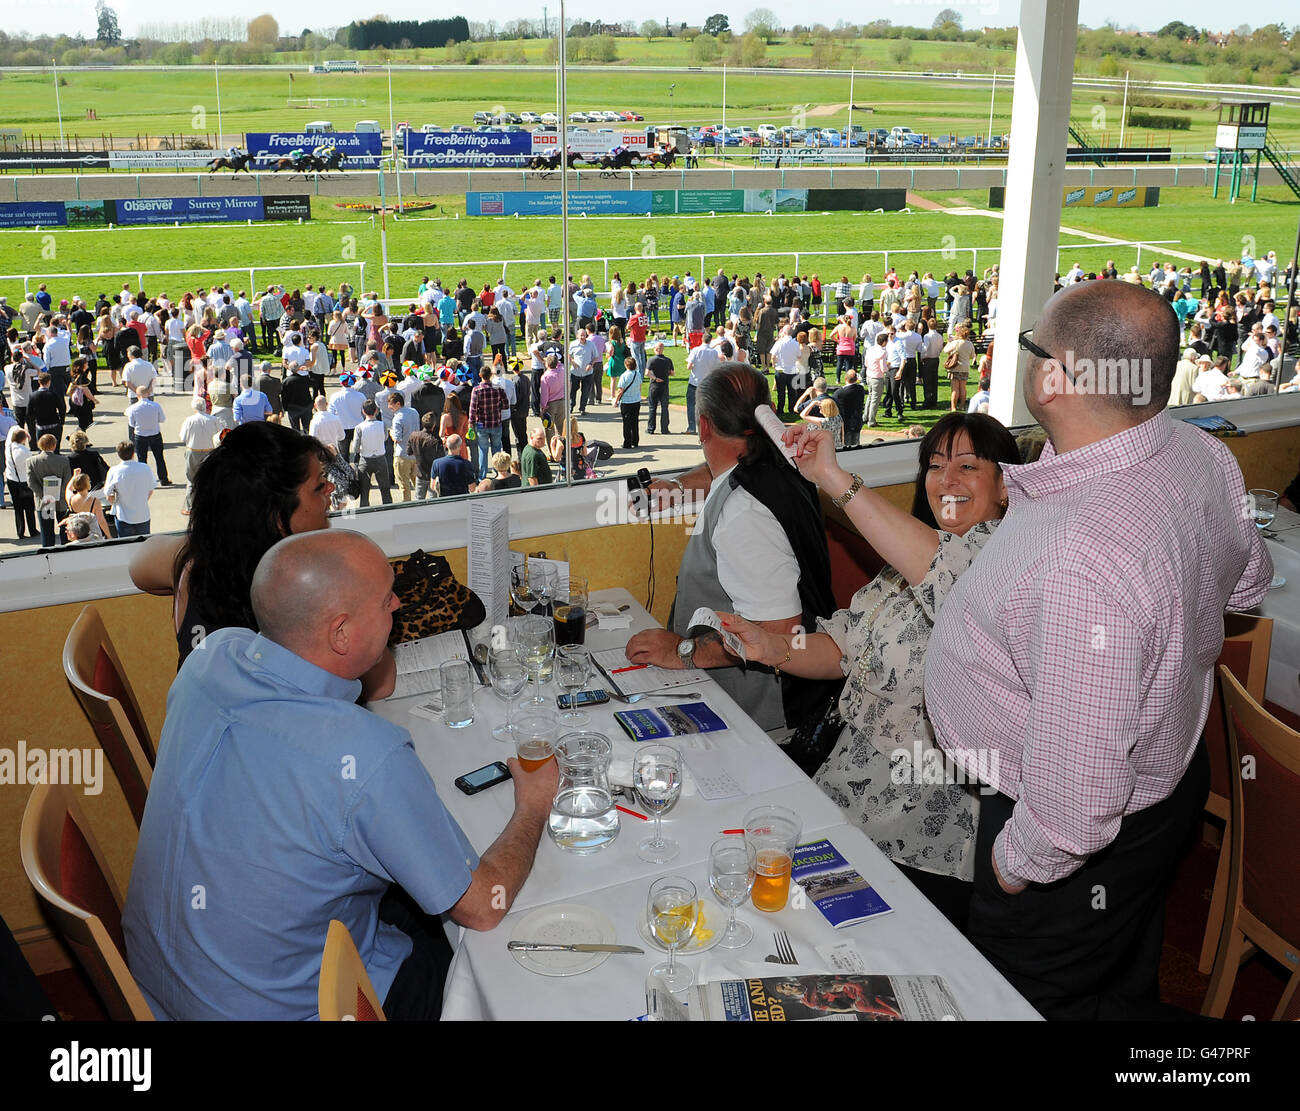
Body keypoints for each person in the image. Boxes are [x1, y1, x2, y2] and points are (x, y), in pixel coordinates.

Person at [925, 280, 1274, 1020]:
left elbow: (1076, 809)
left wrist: (1015, 865)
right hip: (1164, 786)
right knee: (1119, 978)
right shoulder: (1200, 454)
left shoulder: (1084, 557)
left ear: (1054, 379)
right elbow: (1247, 580)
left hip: (1068, 836)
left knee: (1028, 998)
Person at [123, 529, 557, 1019]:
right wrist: (534, 803)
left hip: (157, 987)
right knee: (487, 963)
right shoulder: (367, 754)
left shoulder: (212, 655)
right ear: (340, 633)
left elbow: (359, 671)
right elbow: (483, 907)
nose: (398, 602)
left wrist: (361, 638)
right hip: (287, 1008)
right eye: (385, 599)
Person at [722, 414, 1021, 930]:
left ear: (1006, 486)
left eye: (968, 466)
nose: (946, 480)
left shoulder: (1003, 565)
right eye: (934, 465)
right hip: (847, 786)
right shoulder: (909, 557)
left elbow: (942, 572)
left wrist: (832, 477)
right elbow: (840, 647)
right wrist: (771, 645)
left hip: (922, 821)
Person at [626, 364, 838, 736]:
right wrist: (677, 487)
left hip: (765, 719)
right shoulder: (781, 463)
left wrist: (681, 652)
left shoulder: (744, 515)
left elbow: (778, 632)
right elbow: (726, 467)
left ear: (704, 426)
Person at [103, 440, 155, 539]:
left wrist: (115, 503)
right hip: (142, 515)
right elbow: (151, 489)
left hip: (123, 516)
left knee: (126, 546)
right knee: (144, 545)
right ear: (133, 453)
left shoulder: (114, 471)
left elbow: (108, 495)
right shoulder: (145, 468)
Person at [178, 397, 220, 515]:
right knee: (210, 479)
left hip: (193, 451)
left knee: (191, 480)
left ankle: (190, 507)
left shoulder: (189, 420)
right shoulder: (214, 419)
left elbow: (183, 437)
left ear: (193, 408)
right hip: (210, 451)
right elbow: (219, 435)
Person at [351, 400, 391, 507]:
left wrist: (362, 449)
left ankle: (365, 512)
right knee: (385, 489)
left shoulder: (359, 427)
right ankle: (389, 510)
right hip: (381, 459)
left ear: (363, 412)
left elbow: (355, 448)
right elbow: (385, 438)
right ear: (376, 411)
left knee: (364, 491)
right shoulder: (383, 425)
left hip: (365, 460)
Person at [58, 472, 112, 541]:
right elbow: (101, 521)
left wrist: (75, 476)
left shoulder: (71, 498)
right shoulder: (95, 501)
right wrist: (109, 535)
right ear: (87, 485)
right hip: (89, 533)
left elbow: (68, 489)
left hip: (75, 532)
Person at [5, 427, 37, 540]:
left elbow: (13, 429)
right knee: (29, 507)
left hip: (11, 480)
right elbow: (30, 467)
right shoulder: (24, 452)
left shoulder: (8, 447)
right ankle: (32, 530)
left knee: (18, 508)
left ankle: (20, 531)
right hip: (23, 482)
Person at [941, 324, 976, 412]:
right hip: (965, 368)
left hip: (955, 367)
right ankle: (962, 405)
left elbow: (945, 350)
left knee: (955, 388)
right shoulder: (970, 344)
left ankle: (953, 407)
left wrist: (949, 342)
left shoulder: (956, 343)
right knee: (963, 388)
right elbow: (972, 356)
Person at [613, 356, 643, 451]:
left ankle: (627, 443)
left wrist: (616, 401)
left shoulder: (624, 376)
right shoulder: (638, 374)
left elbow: (620, 390)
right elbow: (639, 386)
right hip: (636, 400)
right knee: (635, 422)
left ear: (626, 365)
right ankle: (635, 441)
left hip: (626, 402)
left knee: (627, 423)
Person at [645, 341, 673, 435]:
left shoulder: (651, 360)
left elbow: (647, 373)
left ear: (656, 349)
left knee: (652, 407)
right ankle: (664, 429)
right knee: (664, 408)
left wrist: (655, 378)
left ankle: (651, 428)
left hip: (654, 385)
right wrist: (665, 374)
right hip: (664, 385)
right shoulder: (668, 360)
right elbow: (672, 373)